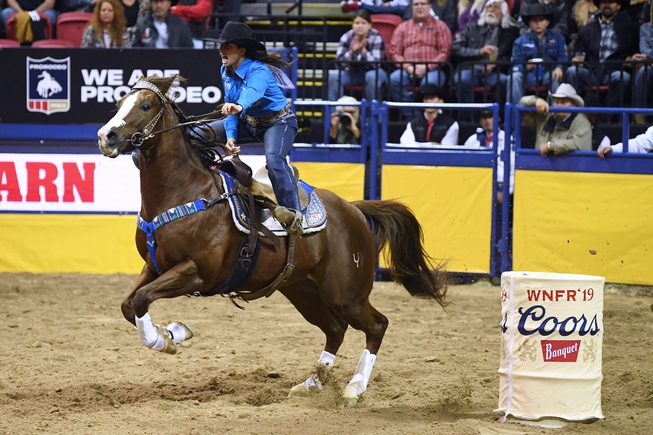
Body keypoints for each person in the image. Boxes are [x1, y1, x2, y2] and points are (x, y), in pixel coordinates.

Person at [201, 22, 303, 235]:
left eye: (227, 45)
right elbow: (230, 106)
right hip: (250, 123)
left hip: (279, 122)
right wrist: (230, 136)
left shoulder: (259, 70)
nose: (221, 50)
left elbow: (253, 91)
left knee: (274, 159)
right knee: (200, 133)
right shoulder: (225, 70)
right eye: (220, 45)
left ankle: (294, 214)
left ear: (241, 50)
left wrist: (239, 106)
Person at [563, 0, 638, 112]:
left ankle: (606, 116)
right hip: (591, 71)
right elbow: (579, 52)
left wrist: (631, 58)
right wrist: (577, 59)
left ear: (618, 5)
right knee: (572, 71)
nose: (607, 5)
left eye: (611, 2)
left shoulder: (630, 29)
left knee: (624, 77)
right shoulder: (587, 29)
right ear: (599, 5)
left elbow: (634, 51)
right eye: (604, 2)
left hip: (614, 71)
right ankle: (574, 115)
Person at [387, 0, 452, 118]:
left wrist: (427, 67)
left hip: (433, 69)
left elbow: (445, 51)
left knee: (429, 83)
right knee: (394, 79)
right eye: (416, 4)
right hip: (407, 69)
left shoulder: (440, 26)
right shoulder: (403, 27)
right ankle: (413, 116)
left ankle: (429, 116)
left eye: (423, 4)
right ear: (411, 8)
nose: (419, 7)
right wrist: (408, 67)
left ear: (429, 6)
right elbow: (395, 52)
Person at [452, 0, 519, 103]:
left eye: (496, 8)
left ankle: (496, 117)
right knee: (461, 79)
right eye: (488, 7)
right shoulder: (471, 27)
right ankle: (468, 117)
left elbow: (511, 56)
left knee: (503, 81)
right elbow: (455, 49)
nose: (491, 10)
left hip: (494, 72)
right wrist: (479, 52)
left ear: (503, 13)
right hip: (471, 68)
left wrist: (495, 64)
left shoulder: (510, 32)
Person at [507, 2, 567, 106]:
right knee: (514, 77)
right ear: (529, 23)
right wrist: (526, 66)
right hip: (528, 76)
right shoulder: (519, 42)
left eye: (541, 20)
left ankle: (553, 116)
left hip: (549, 73)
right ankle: (515, 115)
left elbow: (563, 58)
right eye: (534, 20)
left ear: (547, 22)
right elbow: (515, 65)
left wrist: (559, 67)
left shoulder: (558, 39)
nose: (538, 23)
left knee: (556, 76)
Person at [327, 10, 388, 103]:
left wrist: (363, 51)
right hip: (353, 73)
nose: (360, 26)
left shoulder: (376, 37)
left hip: (374, 72)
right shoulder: (347, 36)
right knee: (334, 76)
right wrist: (352, 52)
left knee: (371, 76)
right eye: (357, 23)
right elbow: (338, 64)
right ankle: (334, 114)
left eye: (363, 23)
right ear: (353, 25)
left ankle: (374, 115)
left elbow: (376, 65)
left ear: (370, 25)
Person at [519, 83, 592, 155]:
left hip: (569, 166)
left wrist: (550, 146)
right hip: (540, 164)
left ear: (573, 105)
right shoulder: (545, 117)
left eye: (563, 102)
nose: (559, 105)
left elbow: (577, 143)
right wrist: (536, 101)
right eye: (557, 102)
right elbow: (521, 104)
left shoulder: (582, 122)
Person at [462, 110, 513, 203]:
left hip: (499, 186)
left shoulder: (507, 139)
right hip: (476, 185)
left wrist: (507, 192)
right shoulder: (472, 140)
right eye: (484, 117)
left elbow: (513, 167)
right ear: (480, 121)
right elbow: (464, 164)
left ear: (498, 118)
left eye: (490, 117)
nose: (487, 120)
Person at [630, 5, 653, 122]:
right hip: (650, 65)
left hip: (650, 60)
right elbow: (643, 49)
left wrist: (649, 56)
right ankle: (639, 114)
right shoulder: (645, 28)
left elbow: (647, 54)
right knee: (644, 70)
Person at [340, 0, 410, 17]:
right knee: (362, 11)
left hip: (399, 10)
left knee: (403, 9)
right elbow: (368, 2)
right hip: (377, 8)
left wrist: (390, 4)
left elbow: (404, 3)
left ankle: (358, 5)